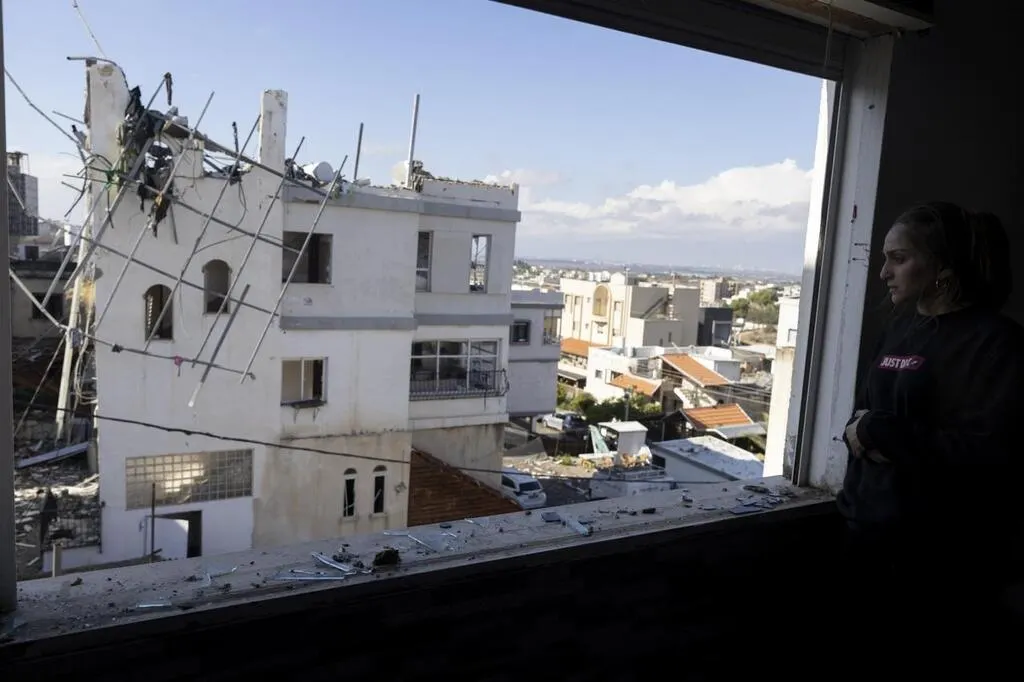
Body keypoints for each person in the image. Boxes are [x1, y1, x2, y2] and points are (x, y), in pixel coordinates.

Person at [838, 201, 1024, 647]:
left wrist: (885, 434)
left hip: (941, 556)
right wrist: (876, 431)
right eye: (885, 258)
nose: (884, 272)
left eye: (898, 259)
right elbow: (859, 417)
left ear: (941, 266)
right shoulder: (899, 331)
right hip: (864, 531)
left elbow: (989, 452)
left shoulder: (997, 344)